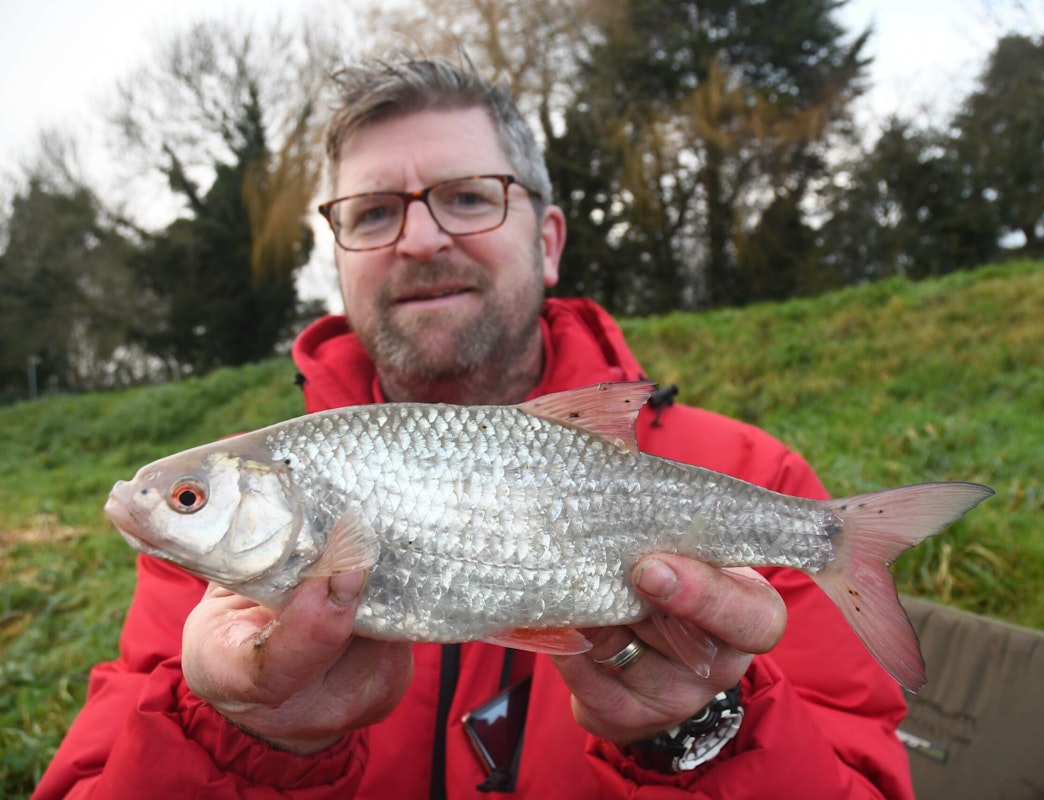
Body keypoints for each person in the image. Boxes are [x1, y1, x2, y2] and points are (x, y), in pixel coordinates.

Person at [35, 54, 915, 799]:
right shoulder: (207, 556)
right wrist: (242, 738)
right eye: (374, 213)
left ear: (548, 238)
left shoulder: (764, 476)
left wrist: (706, 727)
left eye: (467, 196)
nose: (419, 239)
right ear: (339, 257)